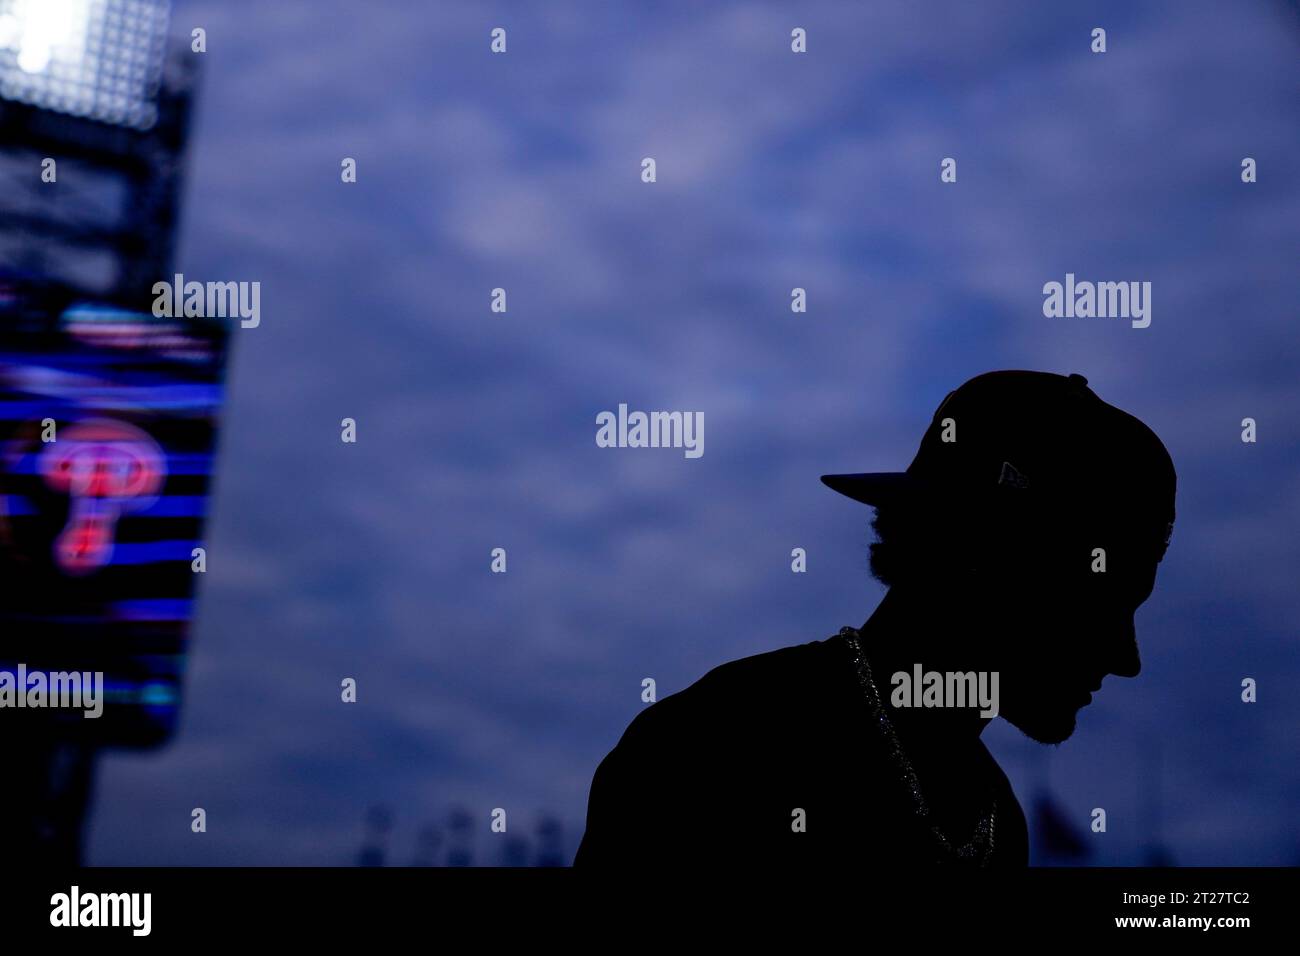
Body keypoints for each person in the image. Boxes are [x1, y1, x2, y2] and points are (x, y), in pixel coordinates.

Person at [574, 370, 1176, 867]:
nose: (1127, 657)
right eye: (1106, 605)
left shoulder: (994, 818)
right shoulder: (714, 749)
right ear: (983, 562)